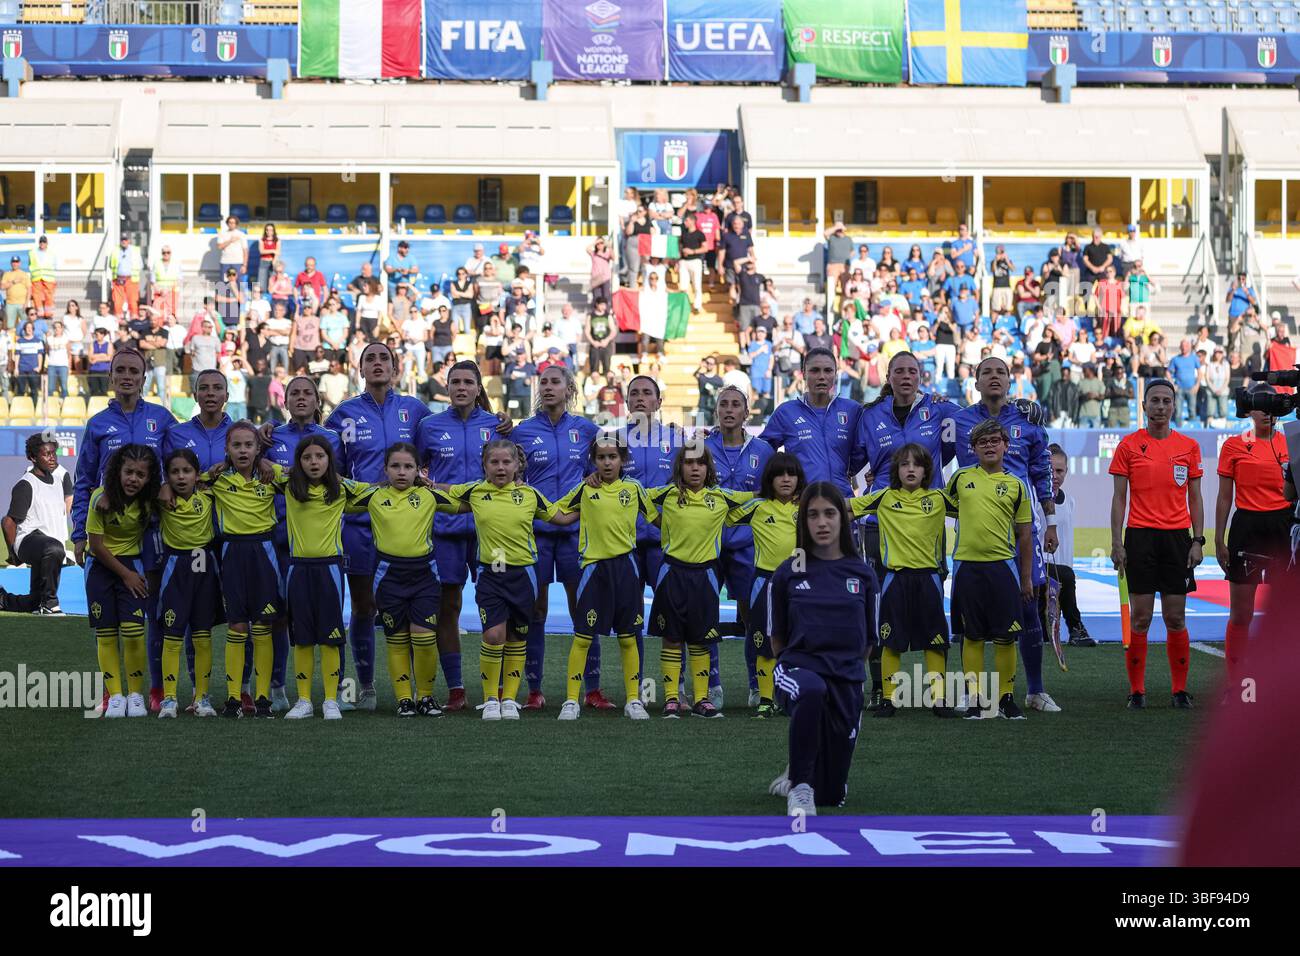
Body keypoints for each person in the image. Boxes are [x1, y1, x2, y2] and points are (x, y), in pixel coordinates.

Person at [325, 342, 434, 711]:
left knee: (414, 607)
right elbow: (330, 468)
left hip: (407, 526)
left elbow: (431, 457)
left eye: (383, 358)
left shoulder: (415, 410)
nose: (376, 364)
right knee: (363, 606)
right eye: (369, 358)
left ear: (395, 366)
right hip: (359, 526)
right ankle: (364, 687)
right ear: (360, 368)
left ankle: (421, 691)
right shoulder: (343, 414)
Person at [952, 357, 1058, 713]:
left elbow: (1042, 470)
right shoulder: (959, 419)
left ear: (1010, 382)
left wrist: (1051, 521)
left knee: (1029, 605)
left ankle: (1035, 690)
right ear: (976, 381)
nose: (994, 377)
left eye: (1000, 372)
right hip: (978, 531)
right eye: (987, 373)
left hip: (1022, 528)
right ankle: (975, 693)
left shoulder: (1028, 421)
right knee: (976, 618)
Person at [71, 348, 175, 713]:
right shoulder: (98, 424)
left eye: (134, 370)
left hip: (152, 533)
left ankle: (155, 690)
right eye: (121, 371)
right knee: (110, 617)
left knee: (153, 612)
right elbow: (84, 480)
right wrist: (80, 534)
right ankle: (114, 691)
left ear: (144, 377)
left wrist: (166, 486)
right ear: (111, 377)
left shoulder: (162, 418)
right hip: (107, 531)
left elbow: (182, 464)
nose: (128, 376)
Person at [766, 483, 877, 815]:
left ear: (843, 520)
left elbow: (868, 642)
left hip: (845, 677)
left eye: (830, 513)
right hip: (798, 671)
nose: (822, 523)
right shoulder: (787, 573)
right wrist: (801, 666)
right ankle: (799, 786)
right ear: (803, 522)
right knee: (811, 690)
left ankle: (801, 764)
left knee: (831, 796)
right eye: (812, 515)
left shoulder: (863, 574)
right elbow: (777, 641)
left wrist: (844, 678)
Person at [436, 440, 567, 720]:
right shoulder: (475, 491)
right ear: (484, 466)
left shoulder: (530, 494)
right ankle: (490, 699)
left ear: (518, 465)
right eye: (493, 462)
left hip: (524, 575)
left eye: (506, 462)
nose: (500, 467)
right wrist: (423, 484)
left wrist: (594, 496)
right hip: (490, 573)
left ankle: (509, 698)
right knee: (494, 635)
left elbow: (561, 516)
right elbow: (446, 493)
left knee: (517, 636)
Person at [510, 365, 604, 710]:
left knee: (584, 608)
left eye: (555, 382)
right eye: (544, 382)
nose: (548, 387)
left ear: (570, 389)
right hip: (534, 533)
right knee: (535, 609)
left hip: (577, 533)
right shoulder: (522, 431)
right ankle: (534, 690)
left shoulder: (588, 430)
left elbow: (603, 472)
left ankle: (592, 689)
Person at [1109, 379, 1204, 710]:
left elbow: (1195, 497)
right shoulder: (1129, 445)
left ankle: (1180, 691)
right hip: (1140, 537)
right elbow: (1119, 498)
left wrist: (1198, 540)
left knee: (1176, 618)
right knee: (1141, 619)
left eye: (1166, 401)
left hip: (1178, 539)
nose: (1160, 406)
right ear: (1144, 406)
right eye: (1155, 401)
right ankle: (1137, 691)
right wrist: (1116, 541)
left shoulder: (1189, 446)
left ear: (1174, 406)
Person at [414, 360, 504, 711]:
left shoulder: (497, 426)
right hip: (445, 533)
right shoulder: (429, 426)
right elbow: (415, 468)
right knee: (447, 607)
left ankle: (497, 692)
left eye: (469, 381)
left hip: (491, 536)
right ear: (447, 387)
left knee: (495, 605)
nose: (461, 387)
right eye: (455, 382)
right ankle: (456, 689)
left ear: (479, 387)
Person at [549, 436, 657, 720]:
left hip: (626, 570)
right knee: (583, 637)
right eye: (601, 457)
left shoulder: (634, 489)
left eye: (612, 457)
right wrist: (522, 498)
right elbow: (560, 516)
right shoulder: (584, 489)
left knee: (628, 638)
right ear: (593, 461)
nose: (607, 462)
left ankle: (633, 700)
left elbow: (659, 519)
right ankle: (571, 701)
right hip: (594, 570)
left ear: (622, 460)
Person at [644, 444, 752, 719]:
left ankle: (701, 700)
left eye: (700, 463)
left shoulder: (720, 496)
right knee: (671, 638)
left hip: (705, 576)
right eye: (689, 463)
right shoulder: (667, 494)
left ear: (708, 468)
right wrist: (658, 521)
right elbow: (633, 495)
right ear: (679, 467)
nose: (695, 468)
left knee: (701, 639)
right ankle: (671, 698)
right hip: (672, 573)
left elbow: (756, 496)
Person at [269, 435, 373, 721]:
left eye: (320, 456)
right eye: (307, 457)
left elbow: (379, 491)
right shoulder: (288, 486)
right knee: (302, 639)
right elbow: (261, 466)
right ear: (298, 463)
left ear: (330, 460)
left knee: (331, 637)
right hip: (298, 569)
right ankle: (304, 700)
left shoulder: (342, 488)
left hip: (330, 570)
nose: (314, 462)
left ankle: (330, 699)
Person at [349, 443, 454, 718]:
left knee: (424, 636)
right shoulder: (372, 496)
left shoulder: (429, 495)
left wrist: (437, 485)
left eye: (408, 466)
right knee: (396, 638)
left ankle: (427, 697)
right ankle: (404, 699)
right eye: (395, 466)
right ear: (385, 469)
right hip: (388, 576)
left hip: (425, 575)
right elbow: (336, 498)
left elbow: (469, 501)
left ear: (419, 470)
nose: (401, 472)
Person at [851, 444, 956, 717]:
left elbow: (973, 508)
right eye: (905, 464)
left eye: (917, 465)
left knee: (935, 642)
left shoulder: (938, 499)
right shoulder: (884, 496)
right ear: (896, 470)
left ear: (926, 471)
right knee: (890, 640)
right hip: (894, 580)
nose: (911, 469)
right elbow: (847, 509)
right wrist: (809, 504)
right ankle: (888, 699)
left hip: (929, 579)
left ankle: (939, 700)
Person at [947, 419, 1034, 719]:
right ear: (972, 449)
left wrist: (1026, 579)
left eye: (995, 440)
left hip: (1003, 569)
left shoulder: (1016, 485)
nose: (989, 445)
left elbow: (1025, 534)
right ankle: (975, 698)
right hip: (967, 568)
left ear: (1006, 446)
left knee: (1006, 636)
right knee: (971, 636)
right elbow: (941, 507)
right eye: (982, 442)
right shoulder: (959, 478)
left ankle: (1005, 698)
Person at [198, 422, 283, 718]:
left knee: (262, 626)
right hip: (232, 553)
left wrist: (269, 463)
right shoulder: (216, 478)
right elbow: (182, 482)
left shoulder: (272, 476)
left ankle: (262, 698)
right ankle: (234, 698)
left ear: (258, 449)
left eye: (249, 445)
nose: (243, 450)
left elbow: (303, 478)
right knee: (236, 625)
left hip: (264, 553)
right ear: (227, 450)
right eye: (237, 445)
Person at [1215, 388, 1294, 687]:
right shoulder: (1234, 446)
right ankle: (1236, 686)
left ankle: (1281, 685)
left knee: (1285, 612)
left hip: (1283, 527)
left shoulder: (1291, 444)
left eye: (1272, 404)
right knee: (1241, 614)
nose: (1267, 410)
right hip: (1246, 527)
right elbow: (1224, 498)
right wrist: (1219, 539)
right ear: (1248, 409)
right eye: (1260, 405)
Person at [705, 386, 775, 705]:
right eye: (724, 404)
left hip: (749, 544)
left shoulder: (763, 450)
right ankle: (712, 685)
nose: (730, 409)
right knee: (705, 614)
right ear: (716, 411)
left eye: (736, 404)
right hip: (708, 542)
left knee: (752, 615)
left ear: (747, 413)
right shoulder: (700, 448)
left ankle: (755, 684)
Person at [726, 452, 804, 718]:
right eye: (778, 475)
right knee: (764, 642)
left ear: (798, 479)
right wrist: (752, 496)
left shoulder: (806, 507)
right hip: (765, 582)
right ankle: (766, 699)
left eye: (791, 474)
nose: (785, 479)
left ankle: (793, 698)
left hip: (799, 582)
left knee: (798, 642)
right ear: (768, 479)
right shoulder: (758, 506)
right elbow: (721, 511)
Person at [85, 444, 159, 719]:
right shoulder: (98, 499)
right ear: (117, 472)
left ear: (149, 478)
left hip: (133, 565)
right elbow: (97, 547)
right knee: (106, 633)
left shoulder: (149, 501)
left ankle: (135, 695)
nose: (133, 479)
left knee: (134, 631)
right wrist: (126, 575)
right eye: (128, 472)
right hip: (103, 567)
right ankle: (116, 695)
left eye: (141, 475)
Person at [154, 449, 221, 718]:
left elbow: (219, 472)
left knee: (202, 636)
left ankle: (202, 697)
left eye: (187, 471)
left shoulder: (208, 493)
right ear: (167, 476)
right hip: (175, 567)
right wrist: (161, 486)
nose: (181, 477)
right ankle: (169, 699)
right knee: (172, 635)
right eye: (174, 472)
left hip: (204, 564)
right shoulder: (161, 498)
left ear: (196, 474)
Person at [759, 347, 862, 497]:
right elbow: (760, 451)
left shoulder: (852, 410)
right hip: (801, 504)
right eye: (814, 371)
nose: (822, 376)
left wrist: (860, 470)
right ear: (804, 373)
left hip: (842, 502)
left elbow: (871, 445)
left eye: (828, 370)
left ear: (835, 373)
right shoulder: (786, 412)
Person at [0, 434, 72, 616]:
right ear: (33, 458)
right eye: (46, 454)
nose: (52, 457)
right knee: (54, 549)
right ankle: (50, 604)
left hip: (49, 548)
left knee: (34, 600)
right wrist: (13, 554)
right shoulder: (26, 484)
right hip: (29, 543)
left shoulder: (57, 481)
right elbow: (8, 522)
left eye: (54, 453)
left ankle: (3, 600)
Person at [1042, 443, 1093, 649]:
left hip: (1063, 567)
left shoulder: (1069, 500)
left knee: (1066, 577)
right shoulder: (1034, 498)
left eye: (1059, 471)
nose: (1055, 475)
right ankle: (1075, 627)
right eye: (1050, 470)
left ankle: (1074, 629)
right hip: (1039, 566)